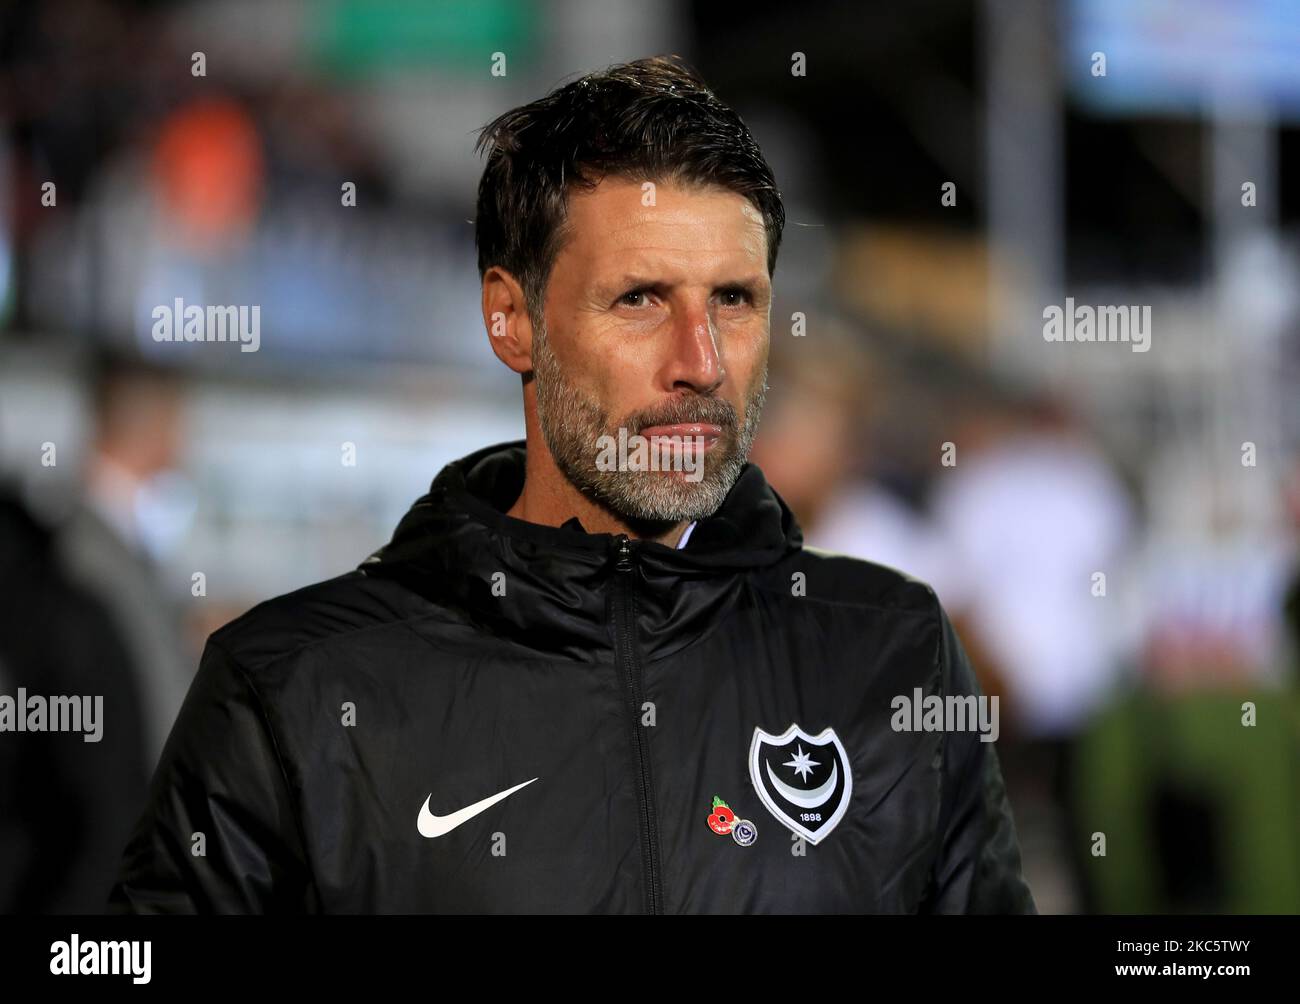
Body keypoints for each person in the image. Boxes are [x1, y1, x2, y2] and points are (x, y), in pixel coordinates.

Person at [109, 55, 1035, 914]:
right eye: (640, 300)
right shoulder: (296, 689)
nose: (701, 362)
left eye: (734, 300)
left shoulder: (892, 654)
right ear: (511, 319)